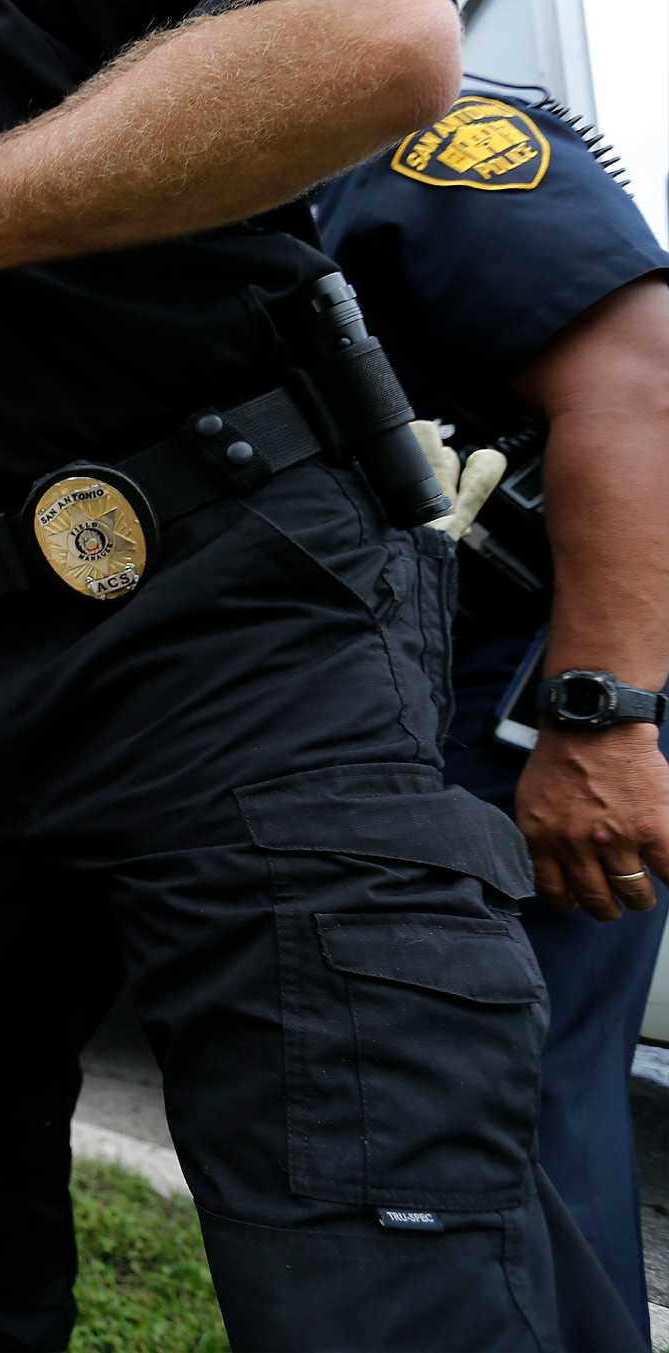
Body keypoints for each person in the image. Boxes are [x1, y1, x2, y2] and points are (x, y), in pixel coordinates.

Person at [0, 2, 642, 1349]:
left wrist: (606, 708)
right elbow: (15, 373)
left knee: (382, 1237)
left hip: (224, 626)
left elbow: (378, 40)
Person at [316, 85, 669, 1338]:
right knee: (444, 1117)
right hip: (420, 705)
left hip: (527, 705)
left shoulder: (402, 128)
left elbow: (638, 373)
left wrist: (601, 715)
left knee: (503, 1102)